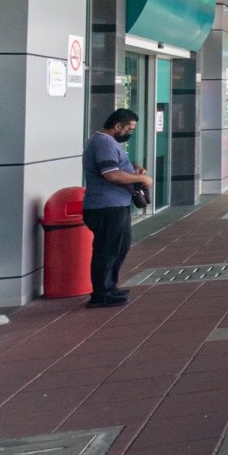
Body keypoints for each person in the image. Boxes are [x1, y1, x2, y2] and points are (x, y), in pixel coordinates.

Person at [82, 109, 152, 308]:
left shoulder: (107, 142)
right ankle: (101, 293)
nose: (130, 133)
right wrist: (141, 178)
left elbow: (116, 168)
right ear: (118, 126)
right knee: (107, 249)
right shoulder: (103, 142)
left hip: (115, 204)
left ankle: (110, 286)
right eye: (129, 129)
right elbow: (111, 174)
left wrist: (133, 168)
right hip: (106, 206)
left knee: (119, 246)